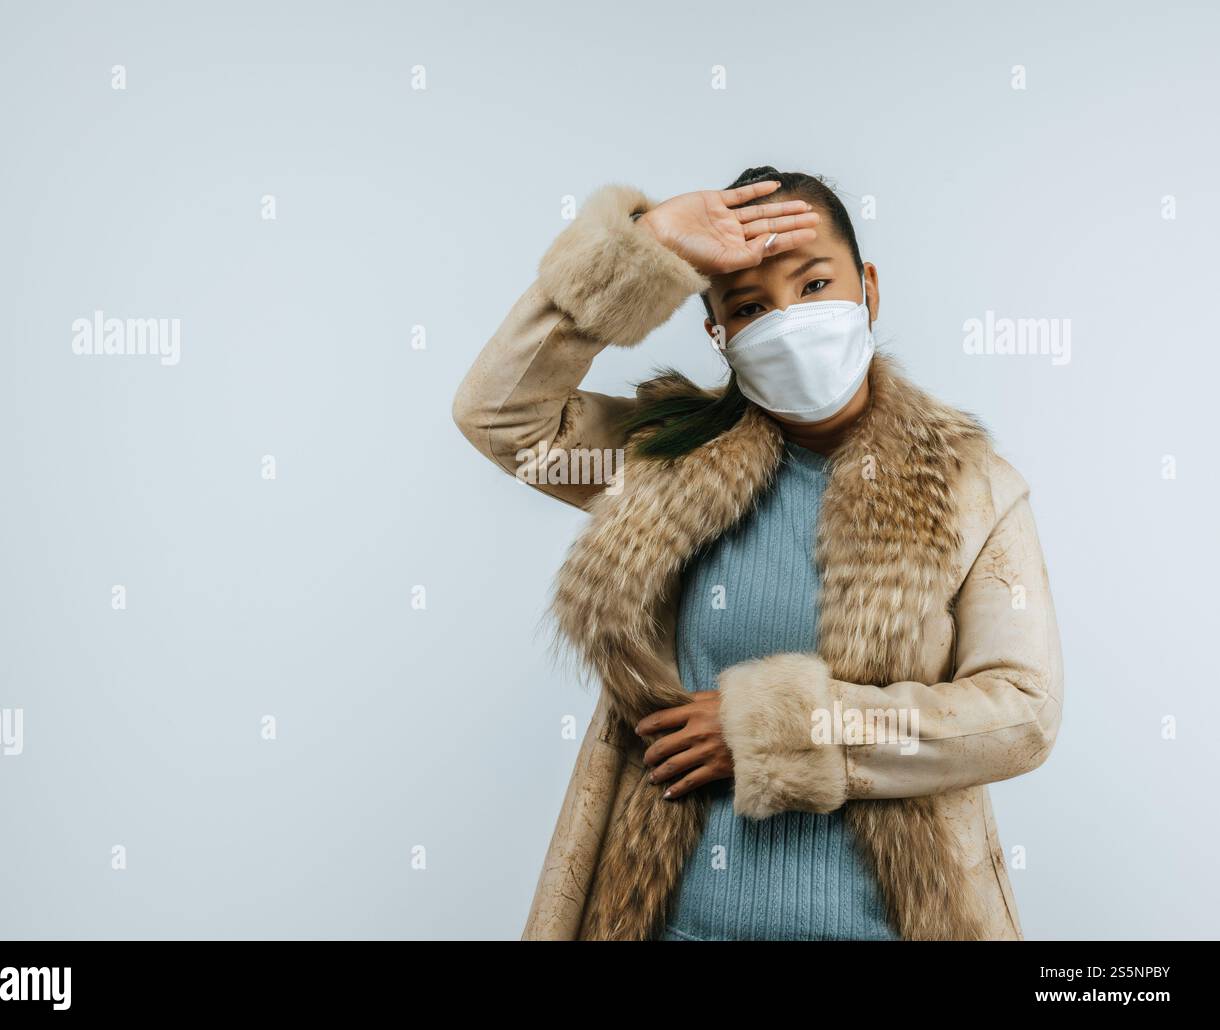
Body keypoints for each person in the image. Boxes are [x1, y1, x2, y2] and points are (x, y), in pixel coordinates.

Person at [452, 166, 1064, 941]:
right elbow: (501, 417)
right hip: (668, 922)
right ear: (719, 334)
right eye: (749, 306)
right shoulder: (663, 458)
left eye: (813, 285)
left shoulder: (971, 488)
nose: (790, 321)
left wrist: (777, 730)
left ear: (868, 289)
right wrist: (641, 250)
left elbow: (1023, 714)